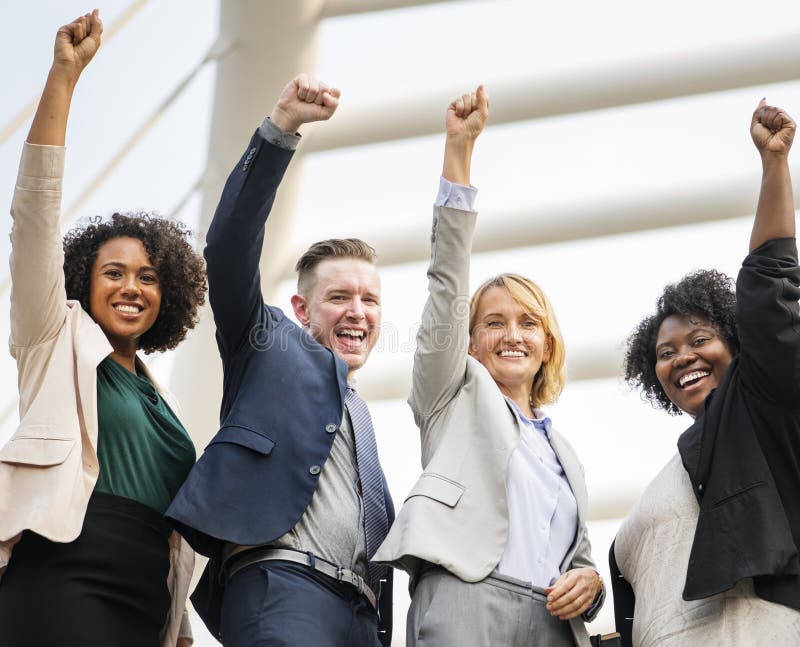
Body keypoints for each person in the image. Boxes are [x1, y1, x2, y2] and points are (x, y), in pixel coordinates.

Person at [0, 11, 207, 647]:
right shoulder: (51, 339)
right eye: (113, 272)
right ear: (82, 284)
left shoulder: (164, 403)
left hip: (146, 594)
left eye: (147, 277)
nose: (130, 287)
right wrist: (64, 76)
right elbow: (35, 213)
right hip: (63, 570)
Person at [165, 74, 394, 647]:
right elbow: (230, 246)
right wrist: (281, 131)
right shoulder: (265, 342)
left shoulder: (358, 415)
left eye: (370, 300)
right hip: (284, 585)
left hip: (362, 616)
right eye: (339, 297)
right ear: (300, 308)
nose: (357, 312)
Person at [374, 87, 604, 646]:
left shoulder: (562, 451)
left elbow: (579, 555)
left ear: (547, 345)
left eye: (528, 323)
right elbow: (447, 279)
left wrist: (590, 582)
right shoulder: (451, 397)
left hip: (552, 623)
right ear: (469, 343)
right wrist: (460, 152)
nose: (512, 335)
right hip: (468, 599)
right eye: (493, 323)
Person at [611, 100, 800, 646]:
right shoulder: (678, 466)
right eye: (665, 353)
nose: (682, 358)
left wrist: (774, 165)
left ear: (737, 345)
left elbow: (769, 285)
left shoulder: (761, 410)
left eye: (699, 340)